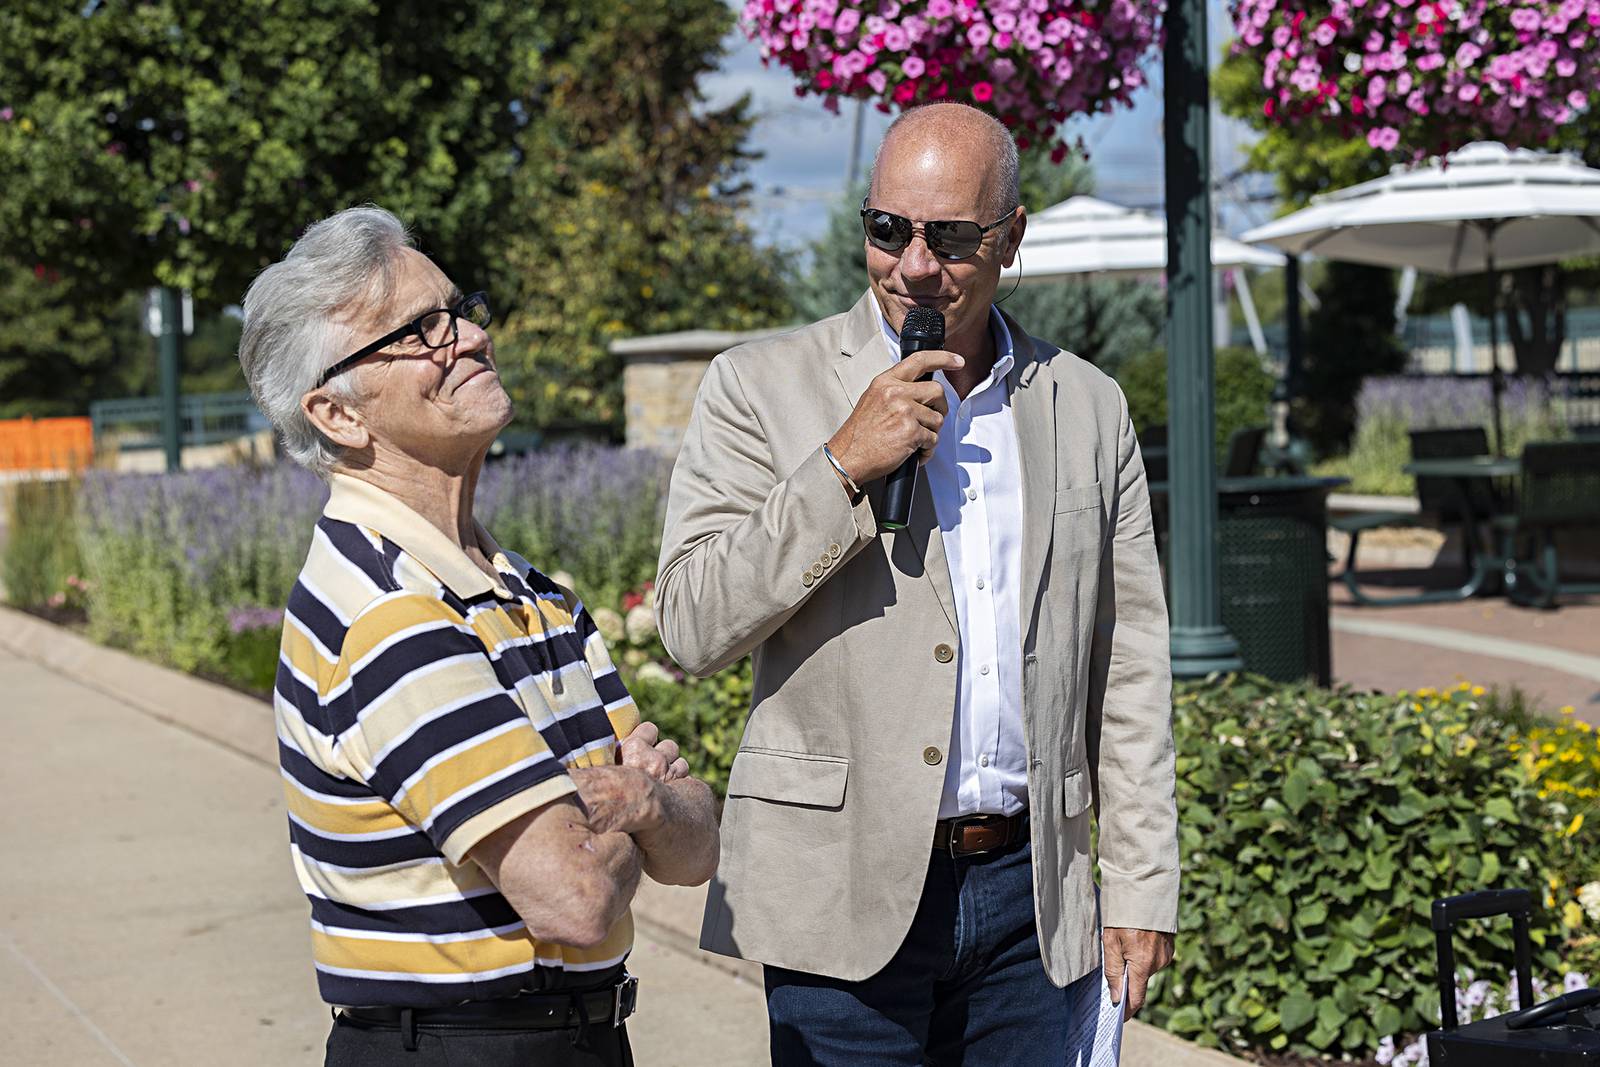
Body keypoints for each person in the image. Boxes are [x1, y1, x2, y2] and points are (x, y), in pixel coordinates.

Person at [655, 103, 1177, 1065]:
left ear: (1011, 237)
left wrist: (1141, 885)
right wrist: (840, 468)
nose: (914, 266)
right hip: (838, 893)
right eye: (888, 229)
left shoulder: (1088, 405)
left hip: (1031, 900)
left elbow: (1131, 667)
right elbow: (690, 623)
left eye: (952, 238)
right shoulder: (757, 386)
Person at [238, 206, 719, 1067]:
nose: (467, 337)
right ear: (338, 414)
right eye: (419, 331)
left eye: (459, 310)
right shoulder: (390, 610)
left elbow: (696, 850)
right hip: (460, 1046)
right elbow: (573, 898)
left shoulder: (532, 593)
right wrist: (641, 801)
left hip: (571, 1038)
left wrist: (636, 801)